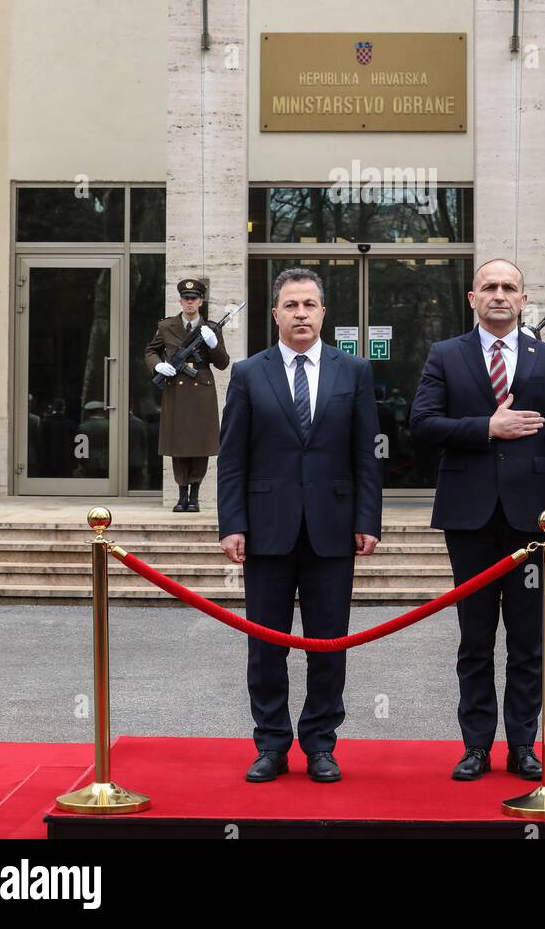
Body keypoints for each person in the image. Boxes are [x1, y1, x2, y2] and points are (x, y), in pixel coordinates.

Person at [409, 258, 545, 782]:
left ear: (523, 299)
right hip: (469, 519)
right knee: (475, 638)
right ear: (472, 298)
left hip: (534, 524)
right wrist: (487, 426)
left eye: (509, 287)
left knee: (528, 640)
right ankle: (476, 746)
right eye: (490, 287)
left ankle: (524, 746)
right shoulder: (446, 355)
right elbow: (421, 424)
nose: (499, 294)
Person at [217, 267, 382, 784]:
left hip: (333, 530)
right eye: (291, 305)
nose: (301, 313)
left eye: (309, 304)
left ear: (324, 312)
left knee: (328, 644)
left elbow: (367, 454)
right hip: (266, 530)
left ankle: (320, 744)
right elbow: (232, 459)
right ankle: (270, 743)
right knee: (266, 644)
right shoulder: (248, 373)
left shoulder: (352, 371)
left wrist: (367, 519)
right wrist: (232, 523)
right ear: (275, 314)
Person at [144, 278, 230, 512]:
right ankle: (181, 496)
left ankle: (195, 496)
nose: (189, 302)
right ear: (180, 300)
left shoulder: (211, 328)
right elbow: (151, 351)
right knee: (179, 444)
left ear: (201, 301)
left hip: (201, 390)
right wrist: (157, 366)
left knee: (199, 445)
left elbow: (223, 363)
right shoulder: (166, 326)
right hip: (176, 389)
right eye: (186, 298)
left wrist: (213, 344)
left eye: (194, 299)